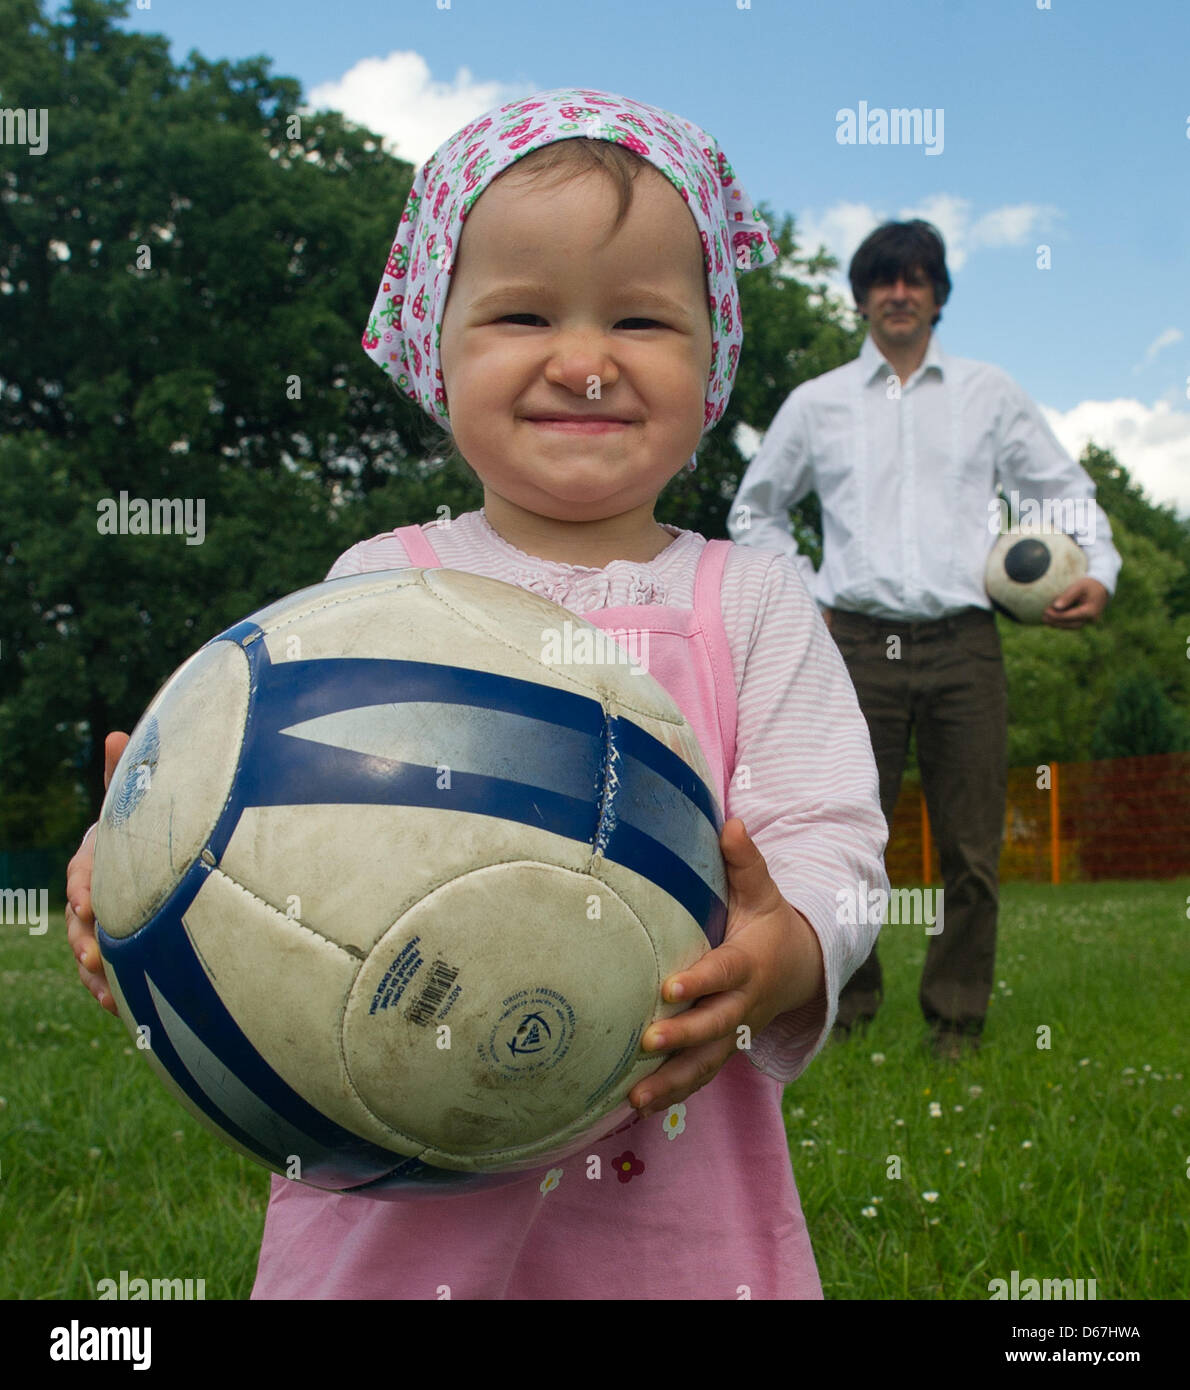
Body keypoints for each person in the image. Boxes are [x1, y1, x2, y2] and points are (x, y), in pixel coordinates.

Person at [64, 88, 888, 1300]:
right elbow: (234, 785)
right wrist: (133, 856)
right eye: (520, 312)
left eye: (643, 321)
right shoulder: (372, 594)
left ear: (714, 359)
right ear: (427, 339)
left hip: (665, 1188)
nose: (583, 360)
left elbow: (832, 834)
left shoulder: (746, 600)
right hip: (386, 1201)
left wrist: (779, 950)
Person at [728, 219, 1121, 1060]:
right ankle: (845, 1002)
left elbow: (1063, 492)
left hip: (966, 644)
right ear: (862, 297)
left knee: (973, 845)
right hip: (853, 646)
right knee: (836, 834)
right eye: (882, 280)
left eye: (915, 279)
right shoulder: (817, 404)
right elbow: (755, 509)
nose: (898, 293)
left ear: (938, 295)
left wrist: (1105, 566)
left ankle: (955, 1021)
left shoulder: (990, 393)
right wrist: (806, 598)